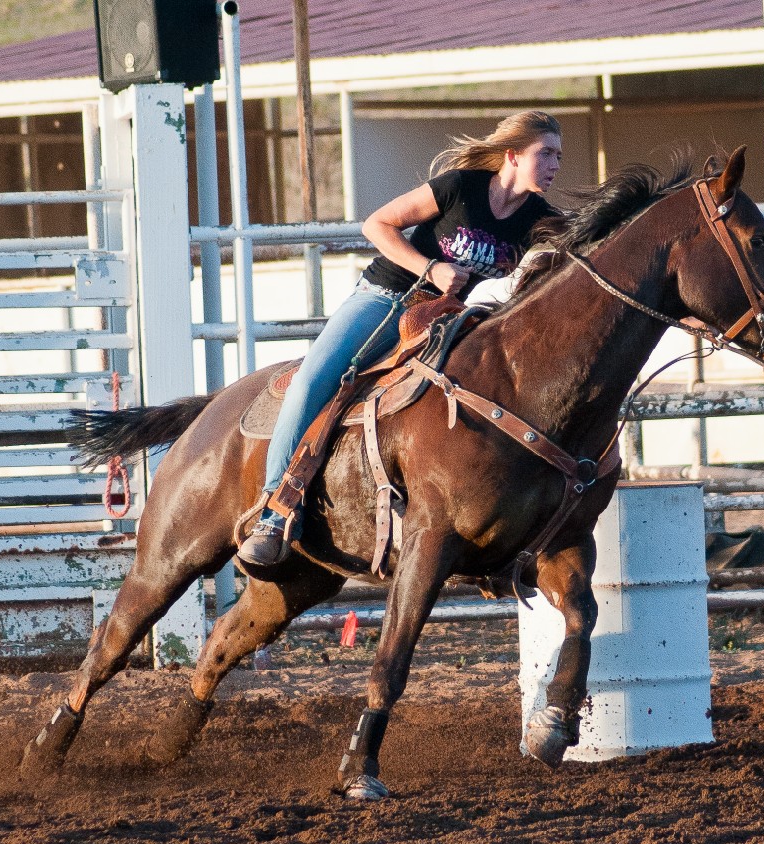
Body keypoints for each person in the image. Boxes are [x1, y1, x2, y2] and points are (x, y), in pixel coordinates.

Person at [239, 110, 564, 566]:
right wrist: (430, 268)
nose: (554, 165)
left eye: (558, 156)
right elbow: (377, 224)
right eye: (544, 153)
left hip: (447, 318)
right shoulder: (461, 186)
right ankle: (273, 512)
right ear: (512, 155)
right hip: (387, 298)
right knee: (314, 380)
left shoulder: (541, 220)